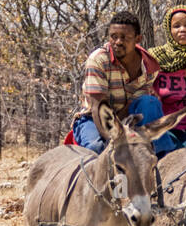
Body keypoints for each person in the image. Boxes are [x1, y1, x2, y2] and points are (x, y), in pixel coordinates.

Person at [71, 11, 177, 155]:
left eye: (125, 37)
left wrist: (124, 130)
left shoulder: (149, 64)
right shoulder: (98, 60)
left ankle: (162, 157)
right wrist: (111, 140)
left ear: (137, 39)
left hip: (128, 117)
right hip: (94, 119)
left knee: (150, 102)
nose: (118, 42)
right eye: (113, 37)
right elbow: (98, 108)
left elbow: (138, 105)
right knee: (96, 149)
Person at [147, 4, 186, 150]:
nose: (182, 29)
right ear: (169, 31)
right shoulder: (155, 58)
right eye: (176, 26)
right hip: (160, 128)